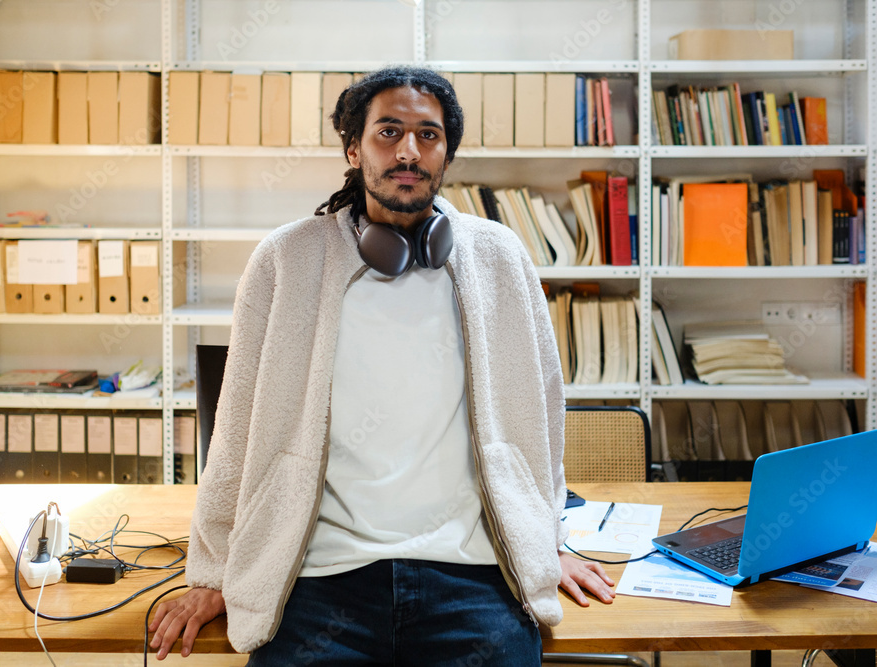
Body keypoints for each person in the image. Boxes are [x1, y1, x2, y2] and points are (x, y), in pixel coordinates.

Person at [149, 65, 615, 665]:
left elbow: (540, 418)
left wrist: (546, 540)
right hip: (318, 578)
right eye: (388, 132)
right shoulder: (288, 261)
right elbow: (236, 428)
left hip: (471, 574)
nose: (409, 152)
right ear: (353, 148)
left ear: (447, 153)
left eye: (428, 135)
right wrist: (211, 571)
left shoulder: (498, 259)